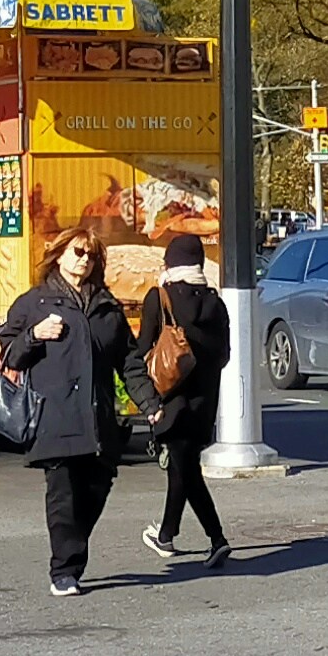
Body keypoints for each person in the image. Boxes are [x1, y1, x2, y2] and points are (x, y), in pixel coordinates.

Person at [0, 228, 133, 597]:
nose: (83, 260)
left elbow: (130, 361)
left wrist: (151, 406)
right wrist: (33, 335)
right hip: (54, 415)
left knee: (96, 487)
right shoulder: (34, 303)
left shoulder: (107, 307)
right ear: (59, 255)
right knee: (63, 495)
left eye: (90, 256)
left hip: (97, 418)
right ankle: (64, 570)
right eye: (77, 252)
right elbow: (8, 354)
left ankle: (71, 550)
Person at [130, 231, 232, 569]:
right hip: (205, 400)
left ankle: (217, 538)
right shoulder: (215, 303)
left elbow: (144, 350)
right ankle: (166, 535)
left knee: (185, 470)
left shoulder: (159, 299)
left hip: (170, 400)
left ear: (170, 264)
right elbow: (224, 356)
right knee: (183, 465)